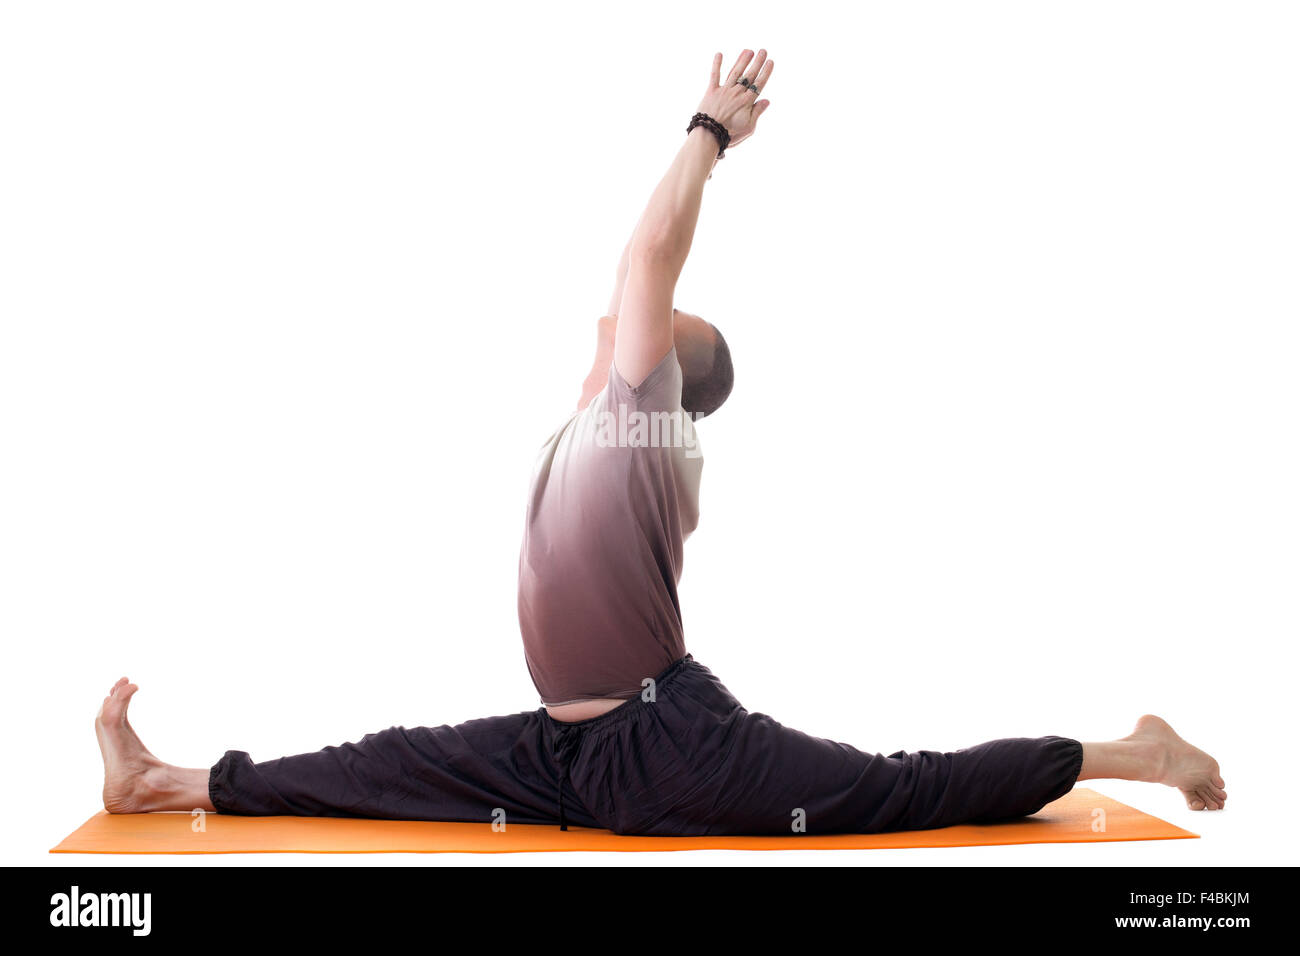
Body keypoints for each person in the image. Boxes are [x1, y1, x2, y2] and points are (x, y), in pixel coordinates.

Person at [94, 49, 1226, 836]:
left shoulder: (645, 425)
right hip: (569, 745)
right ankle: (161, 781)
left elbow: (644, 264)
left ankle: (1136, 750)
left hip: (666, 741)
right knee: (381, 762)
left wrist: (709, 133)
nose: (639, 322)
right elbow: (633, 286)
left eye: (665, 329)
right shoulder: (590, 425)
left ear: (672, 369)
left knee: (900, 788)